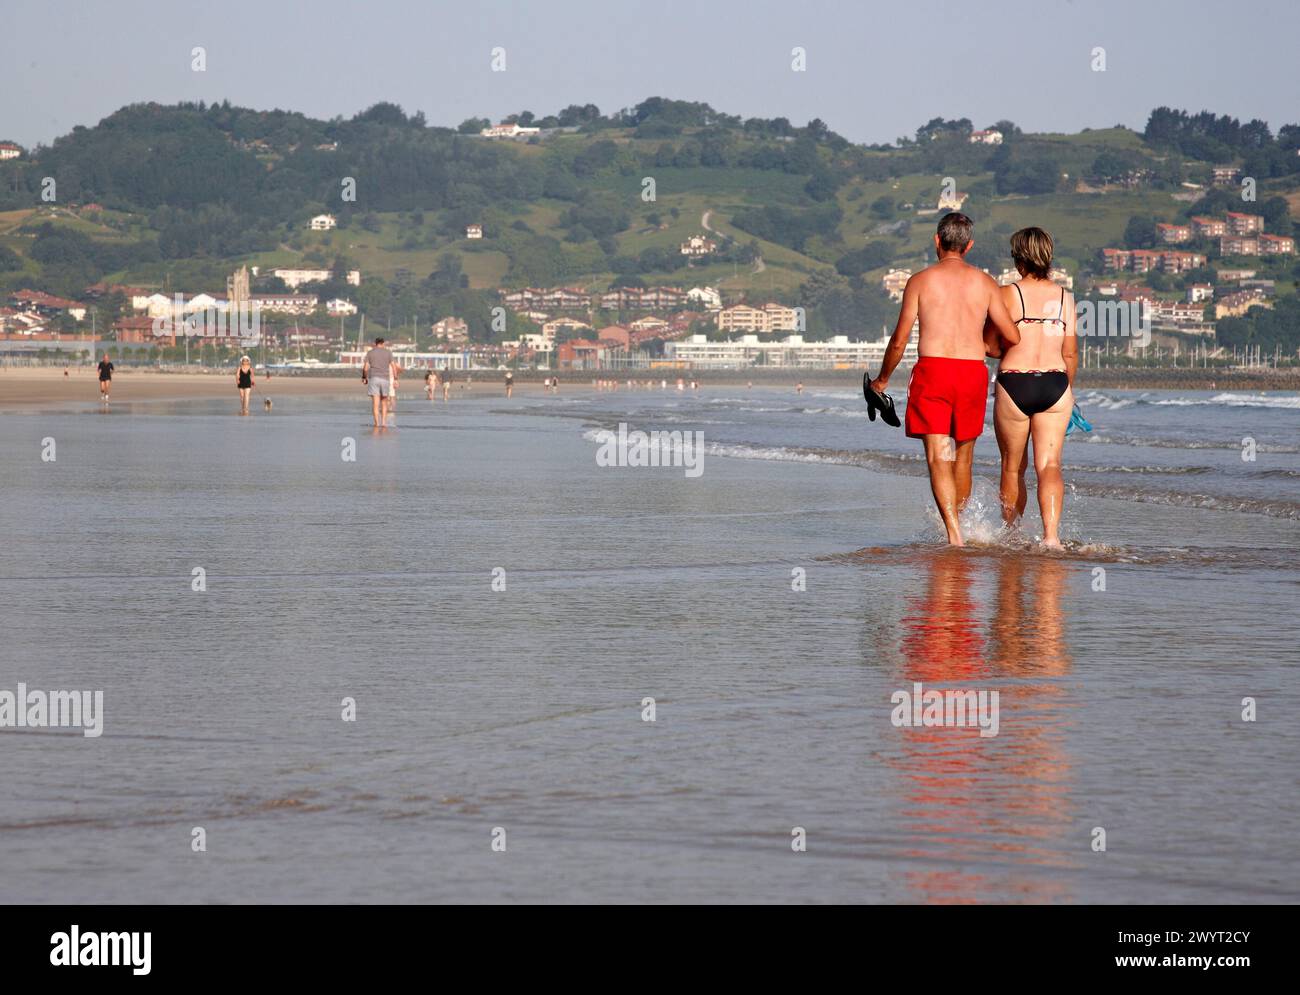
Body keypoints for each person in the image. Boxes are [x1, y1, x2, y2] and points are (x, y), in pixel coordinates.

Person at [869, 212, 1021, 546]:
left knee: (939, 455)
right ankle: (958, 526)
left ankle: (954, 534)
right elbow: (1012, 335)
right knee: (963, 456)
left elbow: (899, 340)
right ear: (969, 245)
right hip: (971, 372)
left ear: (937, 241)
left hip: (933, 371)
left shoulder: (921, 281)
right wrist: (983, 344)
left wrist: (881, 380)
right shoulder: (985, 283)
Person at [988, 227, 1078, 548]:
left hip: (1015, 381)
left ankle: (1012, 536)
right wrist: (1070, 393)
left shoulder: (1006, 294)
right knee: (1049, 465)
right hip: (1055, 383)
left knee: (1013, 466)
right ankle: (1052, 538)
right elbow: (1070, 354)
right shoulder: (1066, 297)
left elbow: (992, 346)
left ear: (1018, 258)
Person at [361, 336, 395, 428]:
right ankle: (383, 423)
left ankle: (377, 424)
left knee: (375, 404)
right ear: (383, 343)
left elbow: (365, 367)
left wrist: (364, 377)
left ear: (375, 343)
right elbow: (393, 366)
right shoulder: (388, 353)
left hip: (374, 379)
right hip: (385, 379)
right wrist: (396, 379)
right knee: (384, 402)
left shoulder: (370, 353)